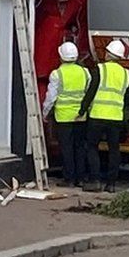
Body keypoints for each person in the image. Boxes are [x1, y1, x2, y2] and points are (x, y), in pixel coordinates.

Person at [80, 39, 129, 193]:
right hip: (116, 117)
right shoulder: (125, 73)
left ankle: (95, 180)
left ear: (108, 54)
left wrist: (82, 110)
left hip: (97, 116)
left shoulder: (100, 69)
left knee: (91, 147)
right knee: (114, 150)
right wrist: (120, 104)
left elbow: (91, 92)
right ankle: (111, 184)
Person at [42, 42, 89, 187]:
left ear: (61, 56)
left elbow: (51, 97)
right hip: (81, 117)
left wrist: (45, 112)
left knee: (66, 148)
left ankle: (69, 178)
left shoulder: (57, 74)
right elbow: (87, 93)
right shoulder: (85, 72)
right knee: (80, 148)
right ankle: (81, 178)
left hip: (63, 117)